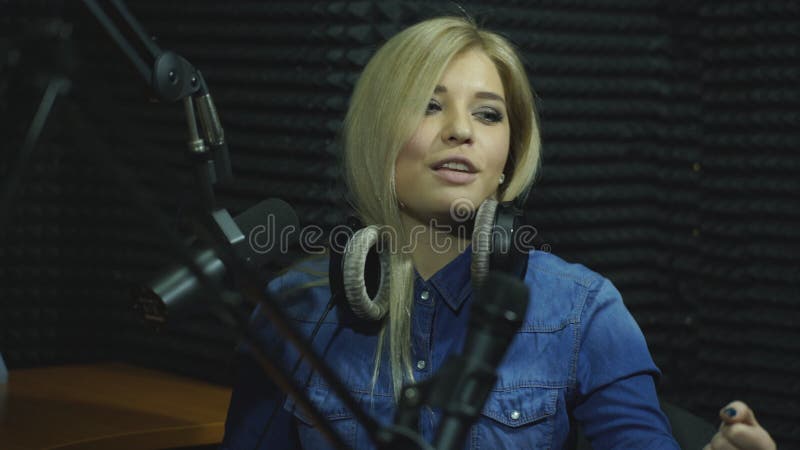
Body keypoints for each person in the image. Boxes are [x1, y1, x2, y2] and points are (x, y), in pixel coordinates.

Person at [221, 16, 777, 449]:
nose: (460, 130)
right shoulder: (297, 309)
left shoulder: (582, 311)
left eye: (488, 114)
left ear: (508, 157)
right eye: (428, 106)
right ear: (377, 134)